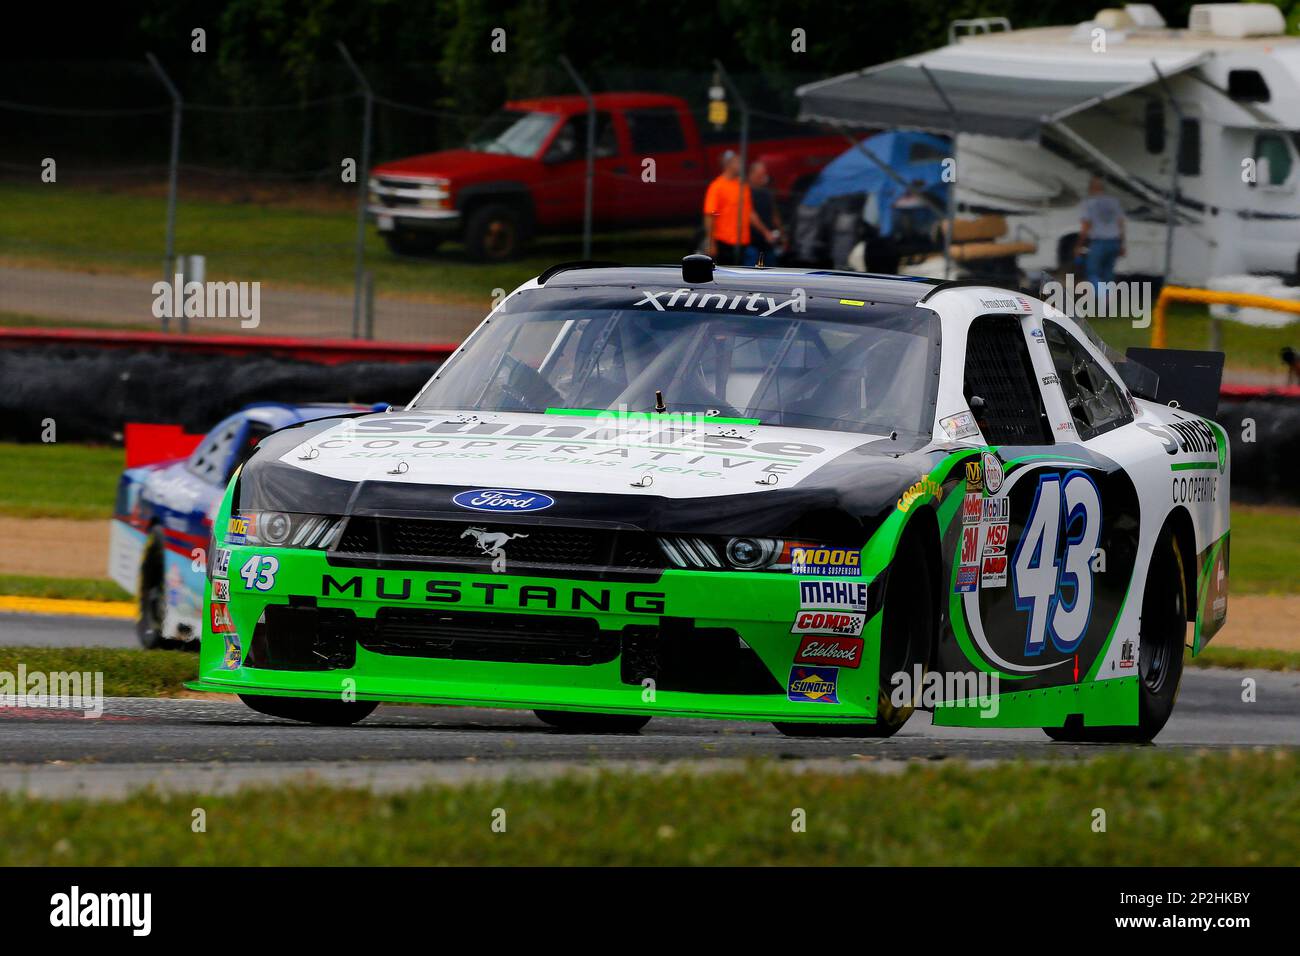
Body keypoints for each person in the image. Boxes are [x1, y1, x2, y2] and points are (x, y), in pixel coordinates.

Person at [703, 151, 774, 264]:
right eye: (738, 162)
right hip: (724, 242)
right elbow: (710, 216)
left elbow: (750, 212)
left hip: (743, 242)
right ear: (728, 164)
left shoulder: (742, 186)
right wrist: (711, 242)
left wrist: (765, 232)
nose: (741, 165)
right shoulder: (717, 187)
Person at [1076, 175, 1125, 290]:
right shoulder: (1114, 202)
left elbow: (1086, 226)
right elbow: (1121, 224)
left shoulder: (1088, 203)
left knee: (1092, 272)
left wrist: (1078, 245)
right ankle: (1108, 301)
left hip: (1099, 242)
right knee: (1108, 273)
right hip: (1114, 242)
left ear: (1091, 188)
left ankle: (1104, 296)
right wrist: (1122, 244)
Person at [746, 161, 785, 265]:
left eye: (764, 175)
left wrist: (782, 234)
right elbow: (750, 214)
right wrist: (765, 232)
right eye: (759, 175)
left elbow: (774, 214)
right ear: (751, 175)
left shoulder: (767, 193)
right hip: (751, 241)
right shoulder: (745, 192)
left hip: (768, 243)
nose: (763, 178)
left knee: (771, 267)